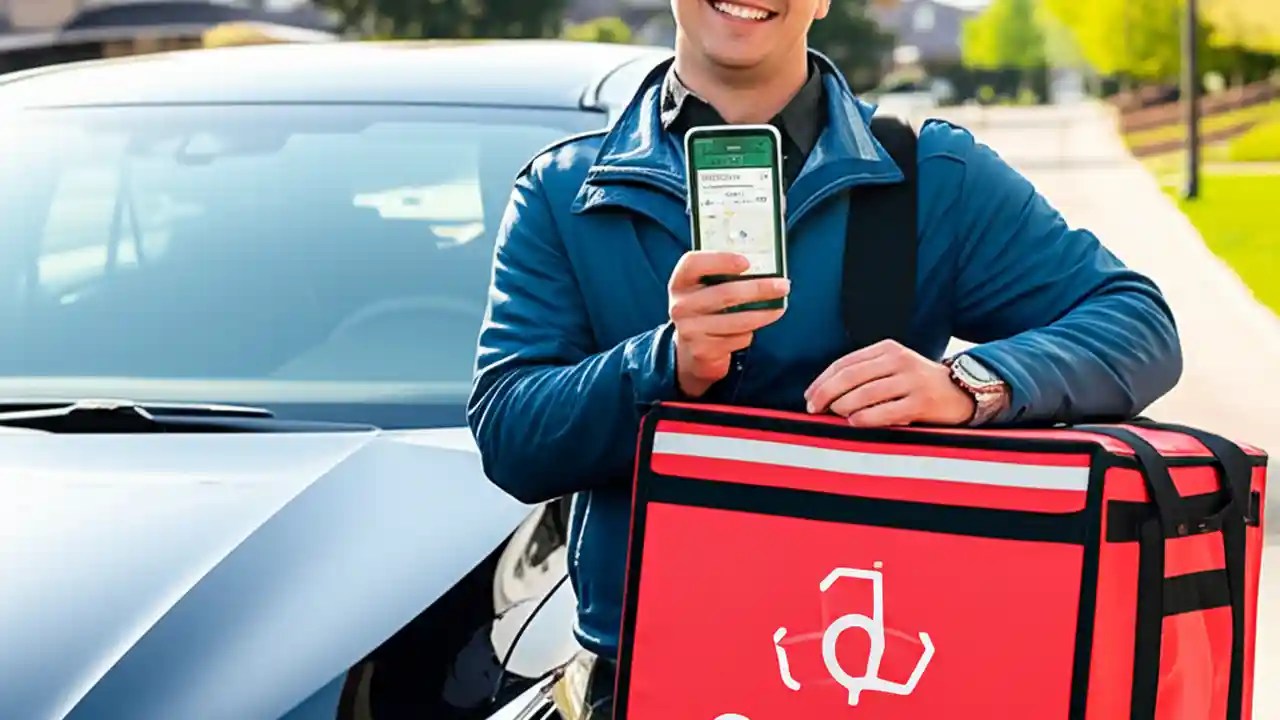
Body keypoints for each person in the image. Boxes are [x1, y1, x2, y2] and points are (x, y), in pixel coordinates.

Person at [468, 0, 1182, 715]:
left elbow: (1137, 324)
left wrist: (971, 384)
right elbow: (509, 435)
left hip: (876, 674)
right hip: (641, 681)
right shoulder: (565, 191)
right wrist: (668, 362)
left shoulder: (931, 173)